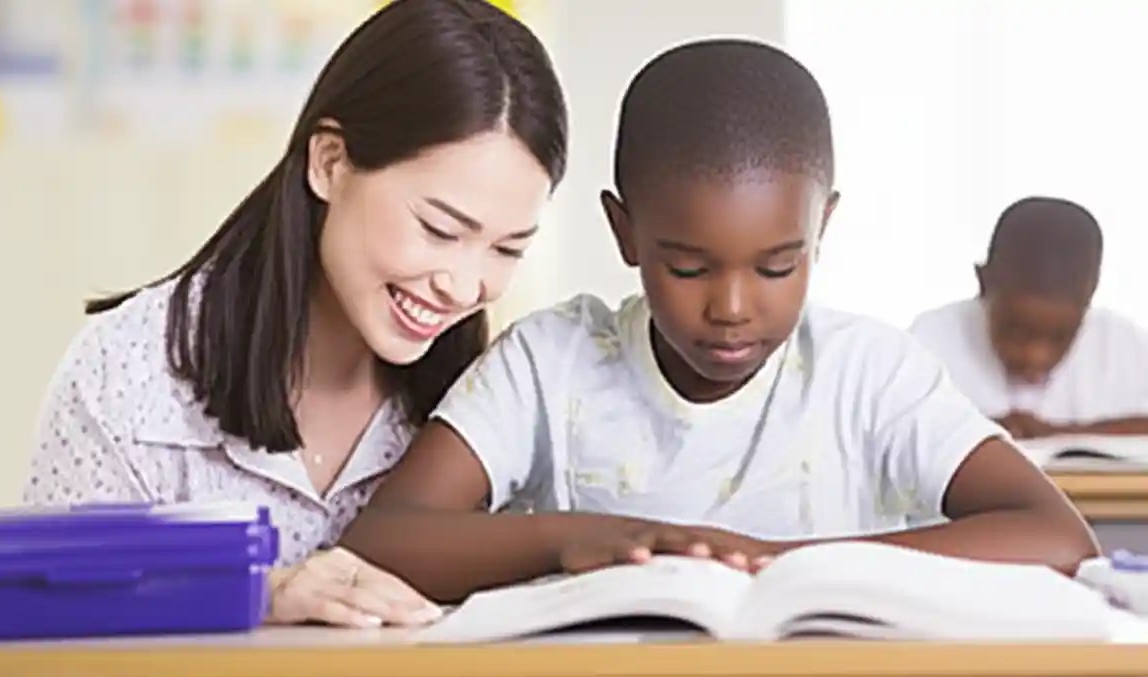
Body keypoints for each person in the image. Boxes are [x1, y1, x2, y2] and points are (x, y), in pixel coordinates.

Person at [0, 0, 567, 677]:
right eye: (438, 229)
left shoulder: (488, 404)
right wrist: (246, 613)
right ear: (329, 162)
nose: (466, 287)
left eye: (506, 249)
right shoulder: (132, 377)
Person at [338, 39, 1097, 604]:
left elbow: (1057, 537)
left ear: (821, 230)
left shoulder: (867, 371)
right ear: (624, 232)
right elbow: (384, 538)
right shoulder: (553, 360)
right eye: (689, 267)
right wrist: (584, 537)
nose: (732, 308)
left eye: (776, 267)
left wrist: (782, 559)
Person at [910, 197, 1148, 439]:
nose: (1034, 357)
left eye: (1061, 337)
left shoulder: (1124, 346)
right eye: (1015, 332)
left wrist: (1058, 434)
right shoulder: (929, 341)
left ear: (1090, 296)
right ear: (984, 283)